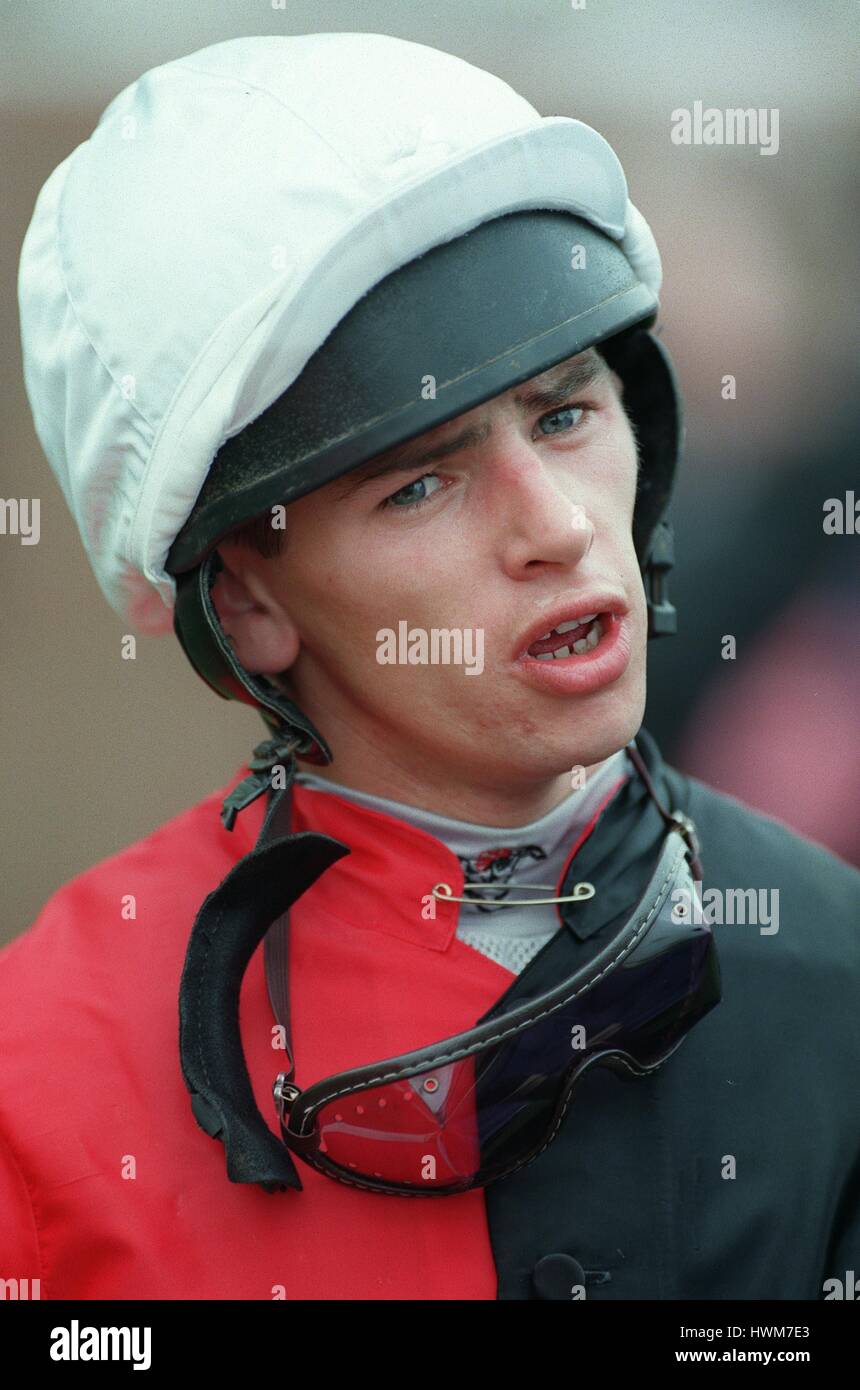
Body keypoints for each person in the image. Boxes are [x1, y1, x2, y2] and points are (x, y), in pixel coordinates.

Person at [3, 32, 858, 1302]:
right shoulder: (42, 1073)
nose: (559, 524)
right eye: (420, 483)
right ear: (243, 603)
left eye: (566, 415)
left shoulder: (836, 971)